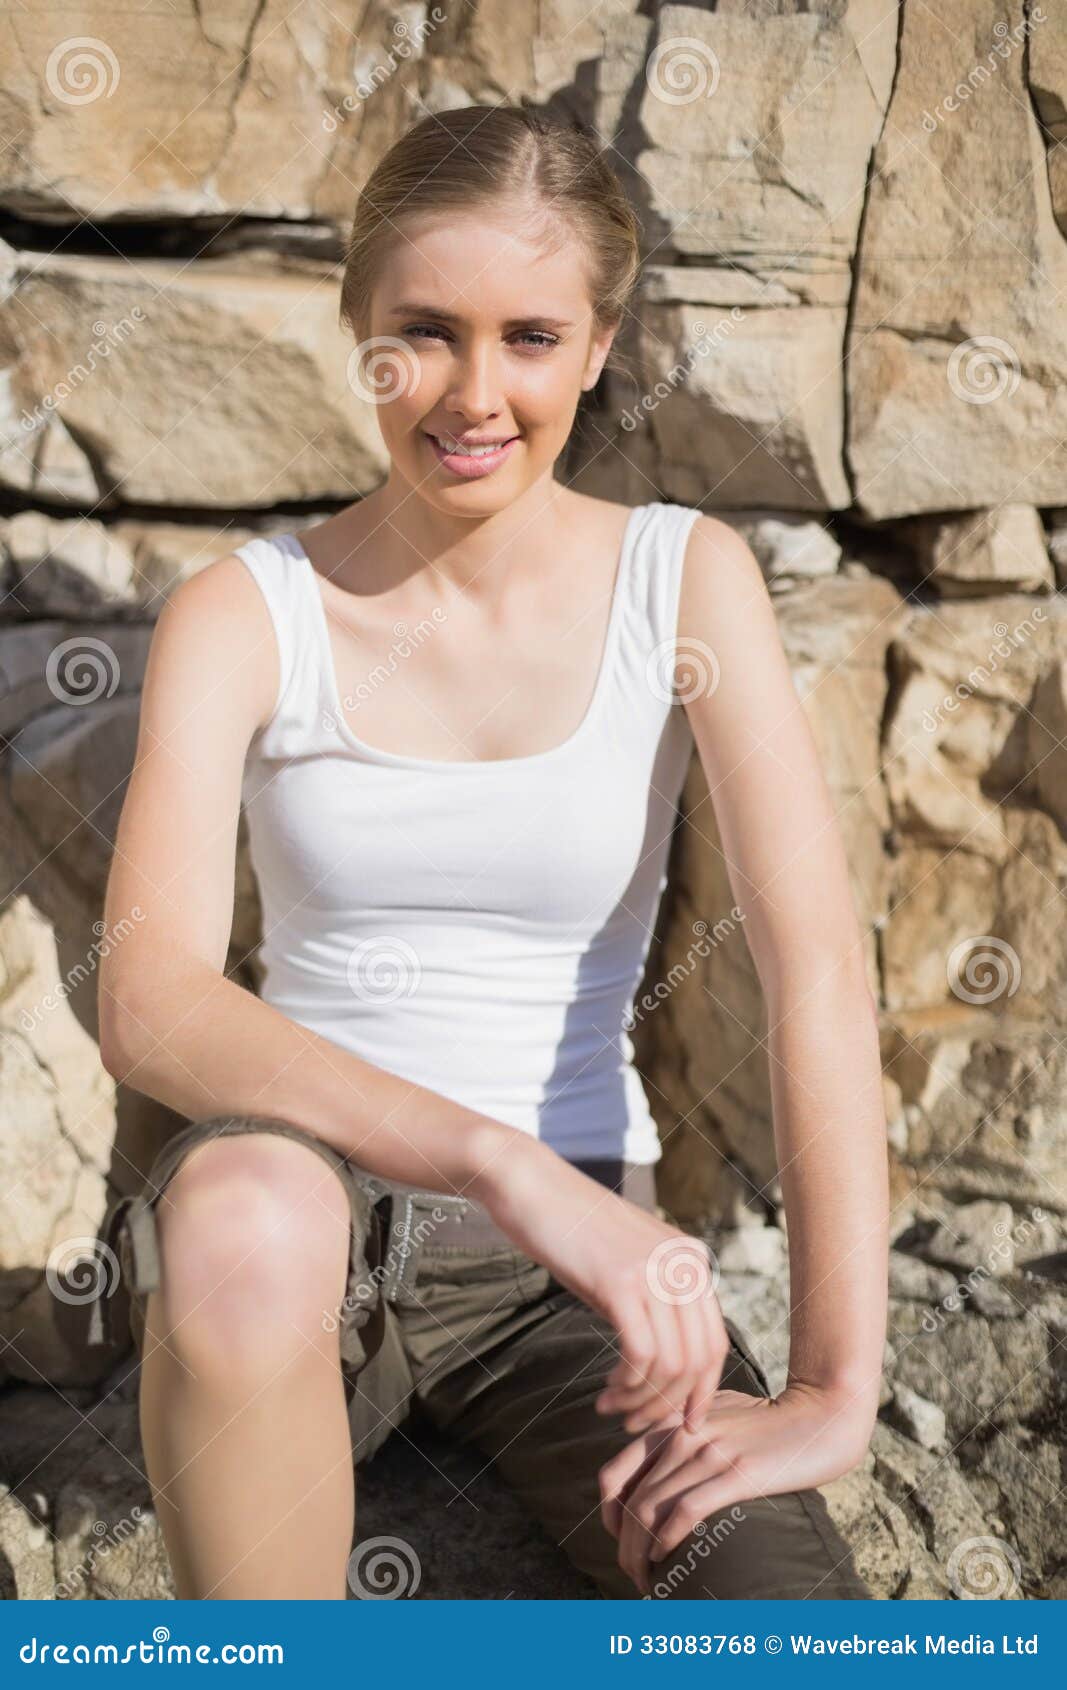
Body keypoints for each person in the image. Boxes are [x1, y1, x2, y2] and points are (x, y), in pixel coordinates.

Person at [95, 103, 887, 1601]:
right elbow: (149, 1000)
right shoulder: (244, 610)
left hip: (574, 1273)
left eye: (529, 336)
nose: (473, 393)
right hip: (295, 1228)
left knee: (788, 1626)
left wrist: (835, 1387)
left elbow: (819, 971)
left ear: (596, 347)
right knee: (249, 1220)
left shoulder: (685, 583)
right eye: (424, 332)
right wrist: (498, 1161)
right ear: (360, 335)